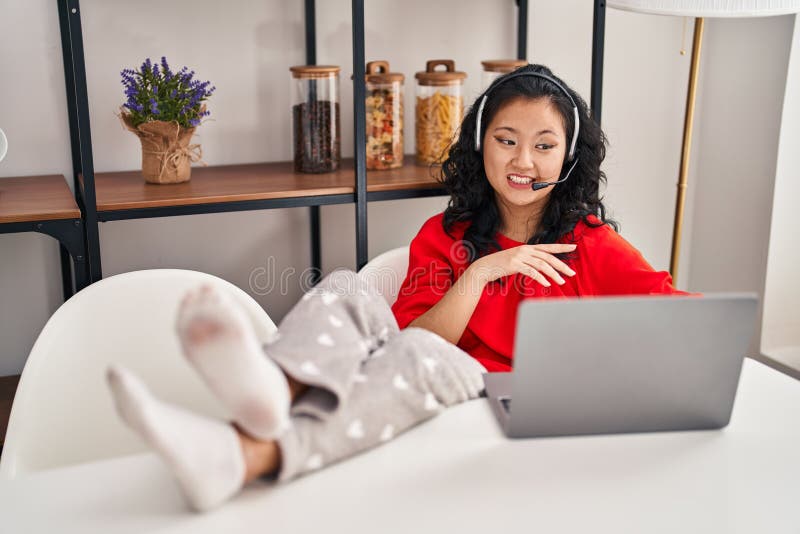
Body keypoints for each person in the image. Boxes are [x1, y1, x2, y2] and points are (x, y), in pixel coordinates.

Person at [107, 64, 685, 512]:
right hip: (423, 373)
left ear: (568, 156)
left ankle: (243, 449)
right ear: (481, 144)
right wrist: (483, 272)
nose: (524, 161)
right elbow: (412, 335)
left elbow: (679, 323)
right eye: (507, 140)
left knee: (420, 358)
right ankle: (275, 388)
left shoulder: (591, 245)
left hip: (506, 401)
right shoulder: (444, 235)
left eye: (544, 145)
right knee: (346, 287)